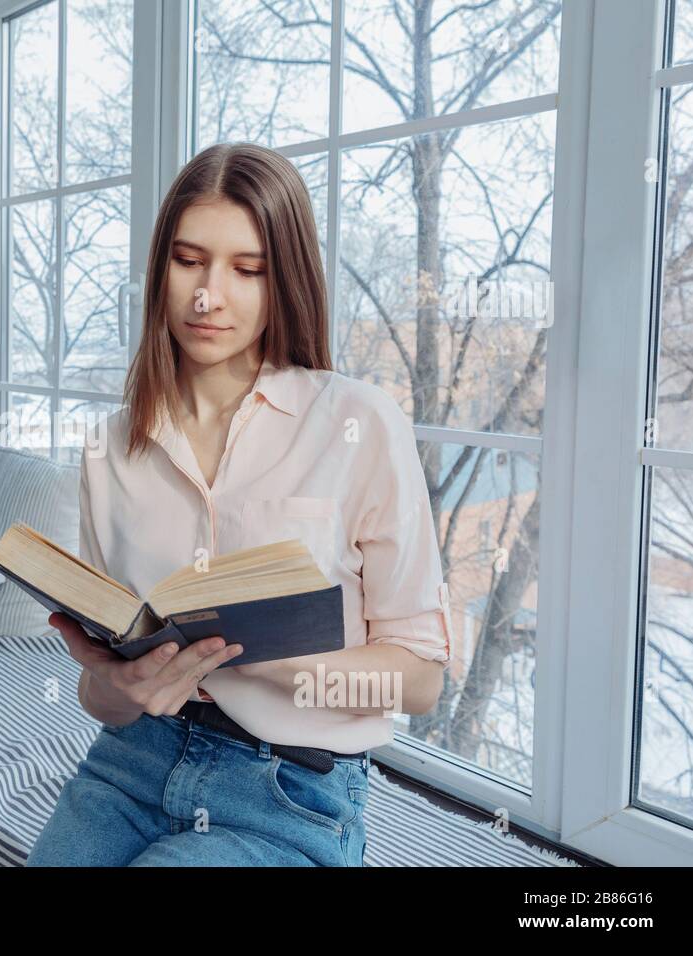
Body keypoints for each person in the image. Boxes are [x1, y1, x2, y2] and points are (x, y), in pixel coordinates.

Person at [24, 142, 455, 867]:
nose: (207, 294)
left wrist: (258, 662)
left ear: (282, 278)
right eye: (189, 260)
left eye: (246, 269)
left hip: (289, 793)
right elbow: (101, 701)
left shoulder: (358, 423)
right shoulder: (111, 449)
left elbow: (420, 681)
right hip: (129, 765)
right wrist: (119, 681)